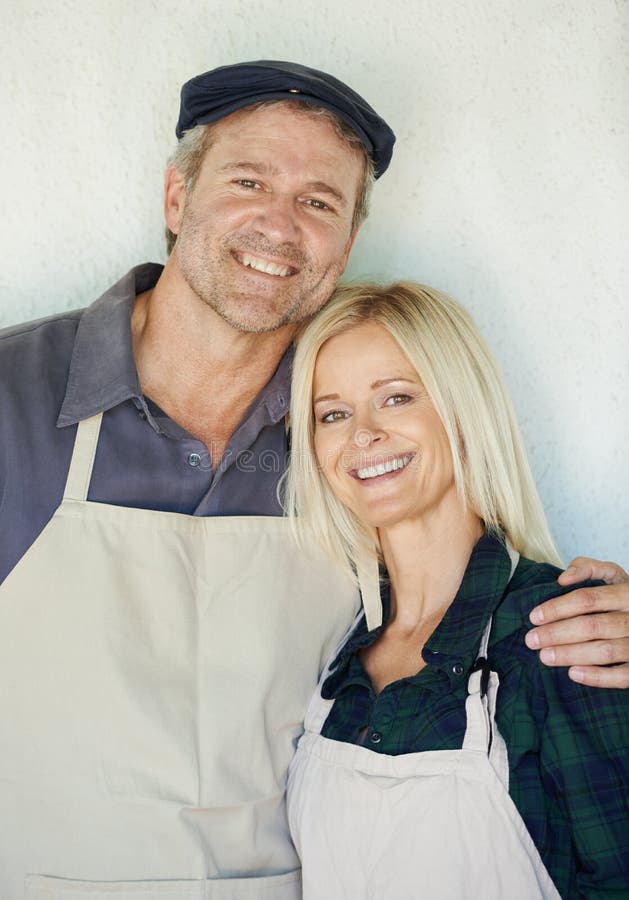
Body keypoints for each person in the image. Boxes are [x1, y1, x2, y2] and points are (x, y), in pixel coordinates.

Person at [0, 61, 626, 897]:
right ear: (176, 199)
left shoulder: (347, 443)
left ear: (344, 245)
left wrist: (594, 616)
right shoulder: (11, 398)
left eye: (319, 202)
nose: (278, 224)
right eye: (248, 179)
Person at [284, 281, 629, 899]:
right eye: (332, 413)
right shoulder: (333, 652)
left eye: (396, 398)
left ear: (463, 411)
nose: (362, 434)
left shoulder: (566, 635)